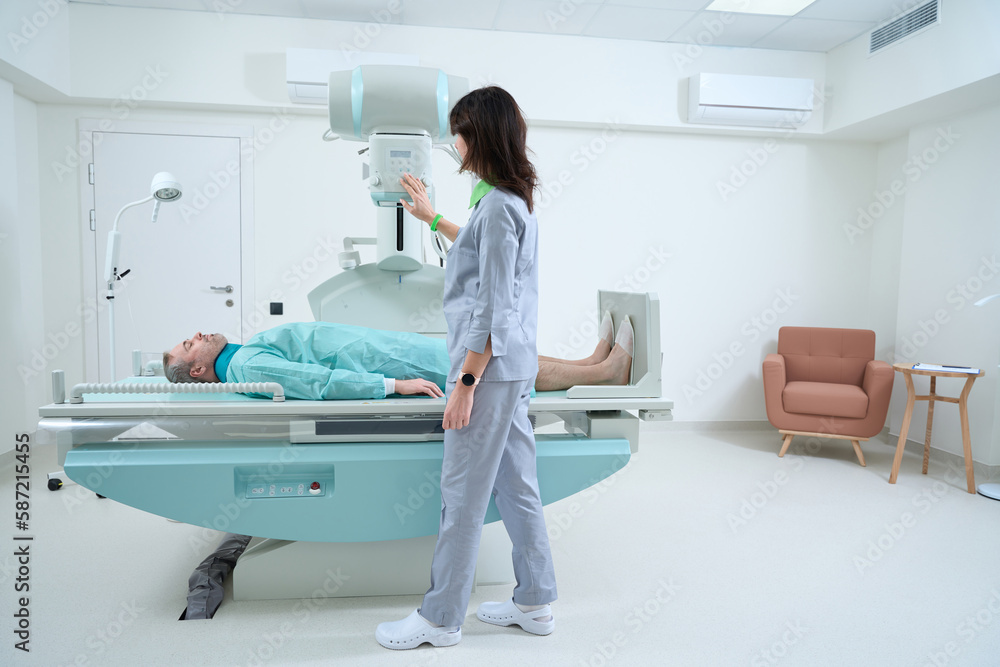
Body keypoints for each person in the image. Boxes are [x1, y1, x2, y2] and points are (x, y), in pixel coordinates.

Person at [374, 86, 634, 651]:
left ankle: (440, 618)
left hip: (487, 372)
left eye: (460, 134)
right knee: (517, 487)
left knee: (462, 495)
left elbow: (492, 308)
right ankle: (535, 602)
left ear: (482, 137)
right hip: (512, 370)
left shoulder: (495, 208)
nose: (455, 145)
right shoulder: (509, 202)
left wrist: (465, 384)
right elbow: (479, 251)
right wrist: (432, 217)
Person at [162, 317, 632, 400]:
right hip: (388, 366)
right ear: (198, 370)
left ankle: (587, 364)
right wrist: (393, 386)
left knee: (495, 349)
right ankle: (608, 374)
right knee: (495, 362)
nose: (197, 334)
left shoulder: (242, 354)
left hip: (387, 350)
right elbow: (316, 382)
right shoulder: (247, 369)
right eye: (189, 344)